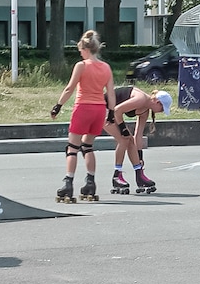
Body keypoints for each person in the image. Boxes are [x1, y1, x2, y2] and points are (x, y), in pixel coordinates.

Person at [50, 30, 116, 203]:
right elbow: (110, 93)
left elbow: (69, 88)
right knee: (87, 146)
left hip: (83, 108)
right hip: (99, 110)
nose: (79, 52)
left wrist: (58, 106)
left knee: (72, 147)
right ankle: (90, 182)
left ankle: (68, 183)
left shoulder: (81, 65)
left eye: (80, 49)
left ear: (86, 49)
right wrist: (112, 112)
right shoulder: (106, 67)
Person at [102, 86, 172, 194]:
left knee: (129, 140)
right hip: (103, 108)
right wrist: (123, 129)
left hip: (113, 111)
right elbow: (117, 110)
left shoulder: (145, 111)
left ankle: (139, 175)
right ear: (157, 102)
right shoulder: (141, 99)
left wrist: (140, 157)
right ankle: (117, 175)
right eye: (162, 109)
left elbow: (138, 135)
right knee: (124, 139)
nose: (161, 111)